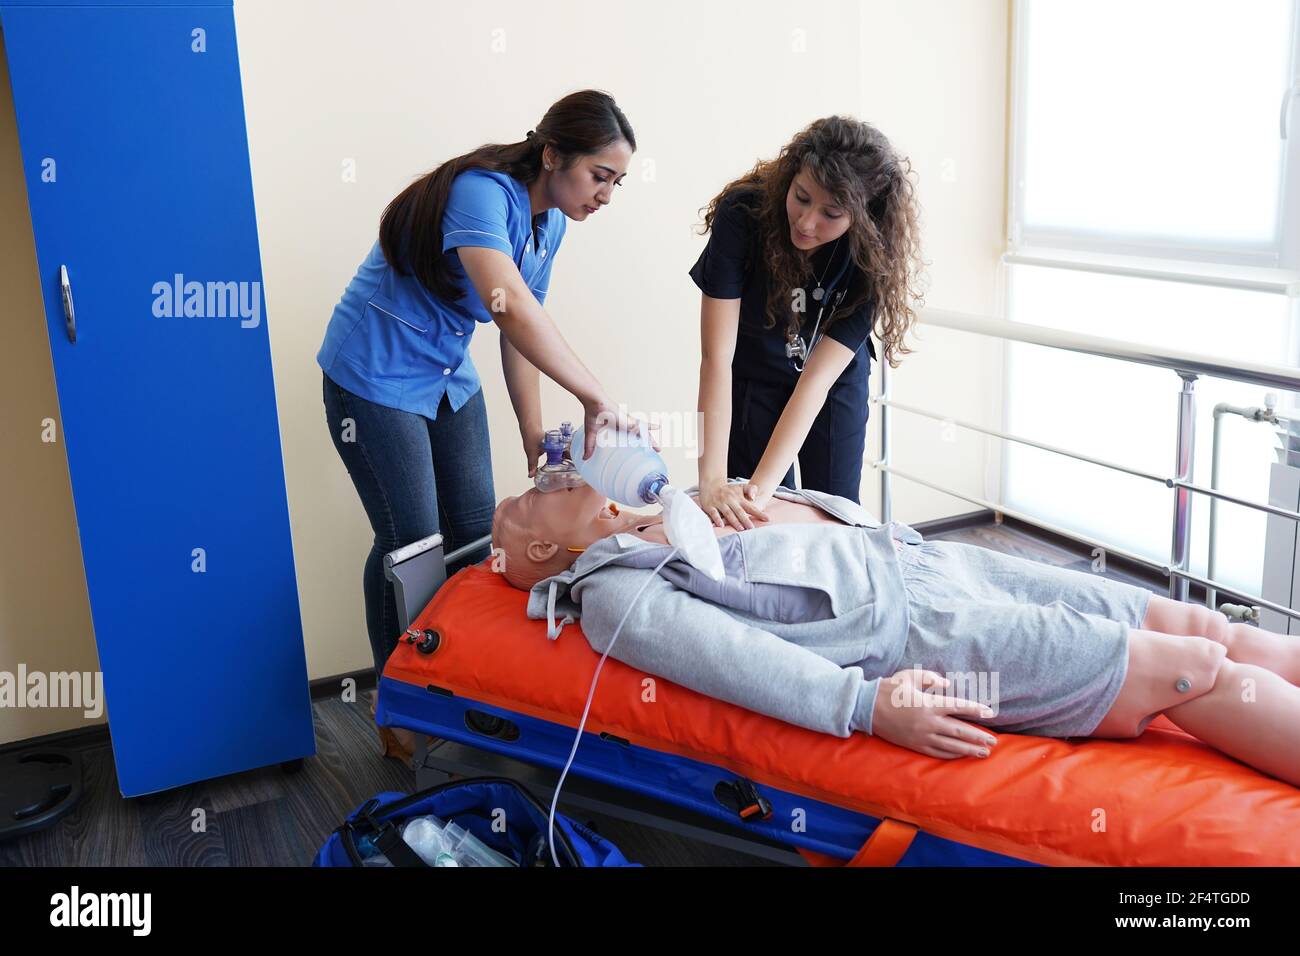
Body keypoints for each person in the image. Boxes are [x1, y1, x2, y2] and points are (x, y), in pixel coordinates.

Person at [489, 479, 1300, 788]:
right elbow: (731, 661)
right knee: (1189, 667)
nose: (541, 482)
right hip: (922, 632)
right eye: (526, 500)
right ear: (534, 550)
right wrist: (866, 705)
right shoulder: (612, 594)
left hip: (927, 560)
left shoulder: (650, 505)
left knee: (1204, 624)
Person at [318, 90, 641, 760]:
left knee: (474, 536)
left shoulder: (548, 225)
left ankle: (460, 689)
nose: (607, 195)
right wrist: (596, 396)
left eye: (618, 182)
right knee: (410, 543)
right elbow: (514, 310)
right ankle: (397, 699)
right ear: (553, 155)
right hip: (374, 373)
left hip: (443, 375)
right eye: (599, 176)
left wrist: (533, 436)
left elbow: (515, 334)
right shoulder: (480, 193)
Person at [691, 116, 924, 531]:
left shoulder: (874, 257)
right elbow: (716, 357)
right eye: (801, 197)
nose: (806, 222)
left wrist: (758, 494)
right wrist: (712, 482)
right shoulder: (743, 214)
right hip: (751, 376)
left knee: (832, 516)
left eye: (832, 213)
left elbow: (815, 383)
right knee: (751, 519)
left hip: (831, 385)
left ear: (865, 219)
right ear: (791, 176)